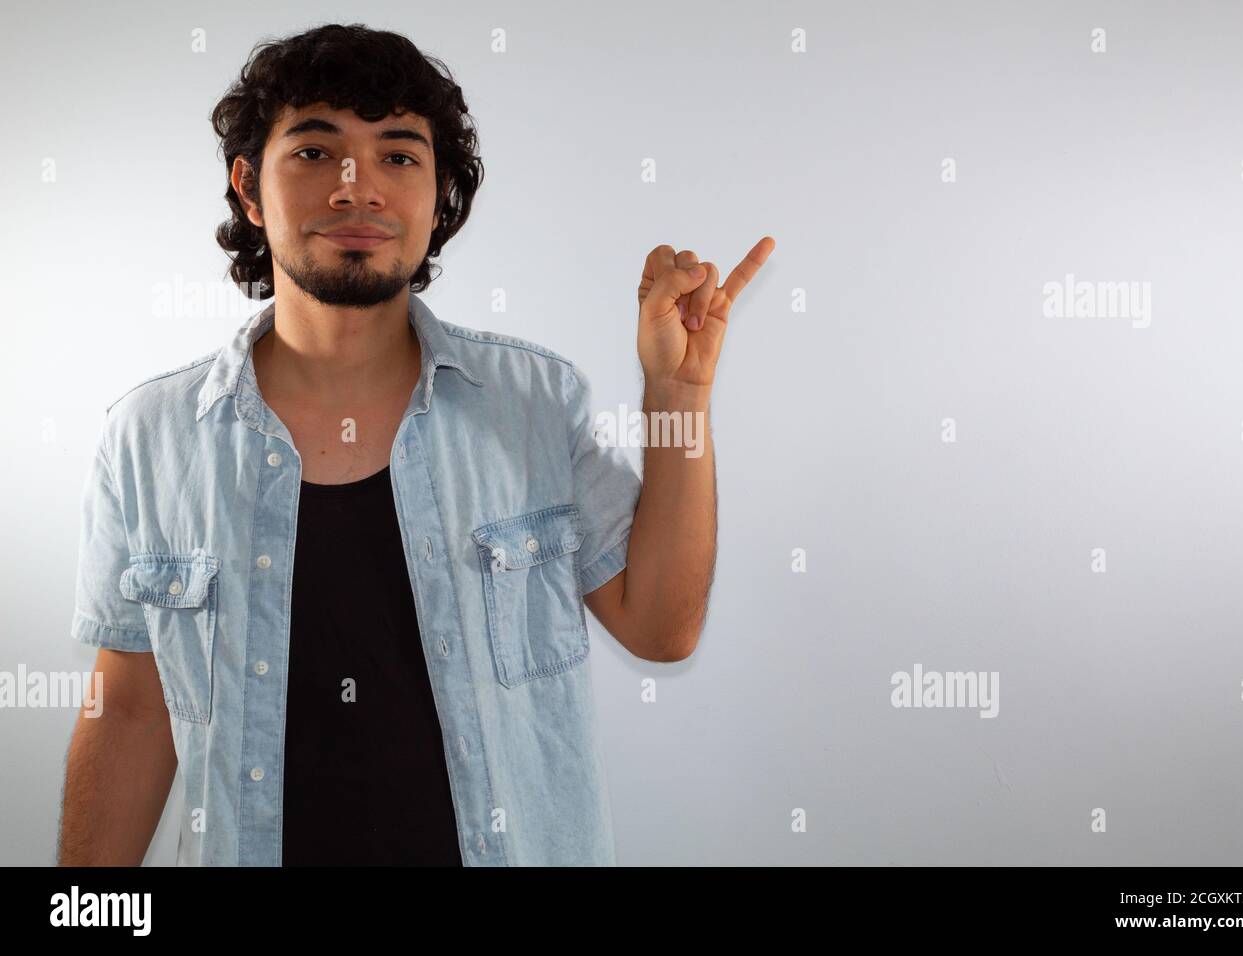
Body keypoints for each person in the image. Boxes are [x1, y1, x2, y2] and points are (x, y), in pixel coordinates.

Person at [57, 22, 774, 866]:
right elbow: (134, 712)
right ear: (249, 188)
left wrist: (678, 397)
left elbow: (662, 628)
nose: (357, 188)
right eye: (316, 151)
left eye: (398, 156)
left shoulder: (534, 407)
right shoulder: (150, 437)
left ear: (439, 200)